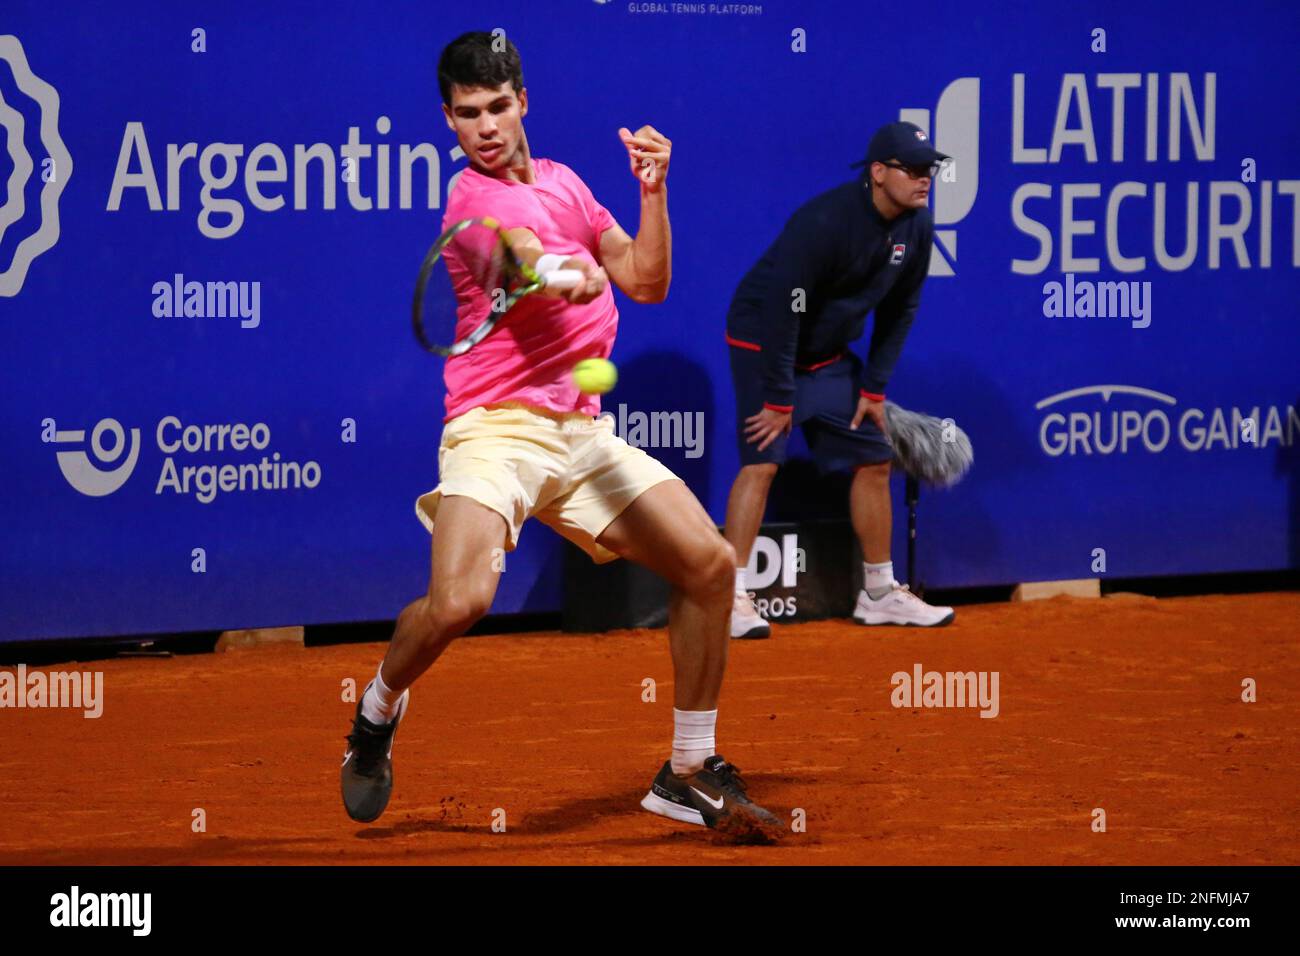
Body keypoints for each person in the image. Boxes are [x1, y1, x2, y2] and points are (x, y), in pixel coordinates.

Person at [339, 31, 779, 838]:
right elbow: (519, 256)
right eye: (467, 114)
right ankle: (378, 708)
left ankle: (685, 770)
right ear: (448, 119)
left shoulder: (570, 183)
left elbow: (645, 279)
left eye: (498, 106)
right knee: (462, 601)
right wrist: (557, 272)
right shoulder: (470, 202)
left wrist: (654, 191)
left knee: (712, 567)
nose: (486, 126)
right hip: (495, 431)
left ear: (523, 101)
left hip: (579, 438)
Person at [723, 121, 956, 639]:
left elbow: (902, 308)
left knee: (875, 458)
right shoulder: (825, 222)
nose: (926, 179)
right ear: (878, 173)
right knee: (762, 463)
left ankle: (878, 594)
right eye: (914, 170)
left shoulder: (916, 227)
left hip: (827, 354)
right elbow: (785, 311)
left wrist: (874, 388)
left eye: (930, 170)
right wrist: (781, 397)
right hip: (764, 342)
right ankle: (731, 597)